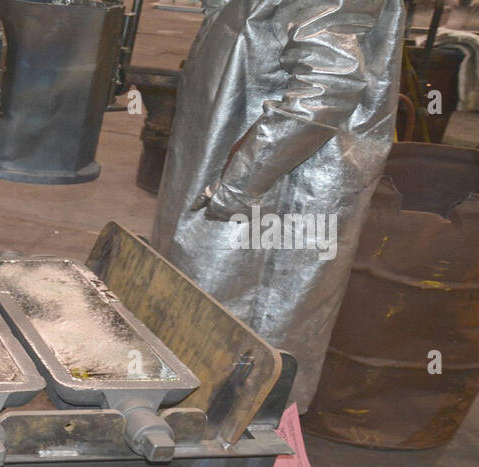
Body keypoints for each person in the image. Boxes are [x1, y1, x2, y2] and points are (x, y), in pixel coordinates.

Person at [151, 0, 405, 410]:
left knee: (244, 354)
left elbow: (327, 84)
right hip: (236, 170)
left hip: (276, 188)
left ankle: (225, 443)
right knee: (198, 329)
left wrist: (238, 182)